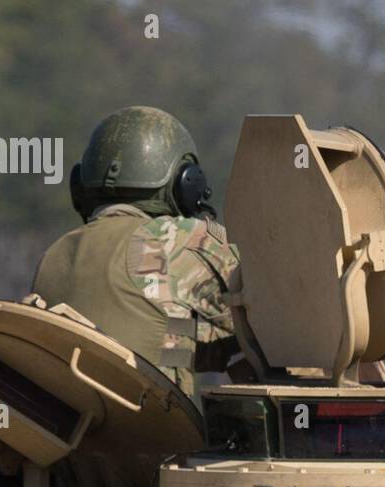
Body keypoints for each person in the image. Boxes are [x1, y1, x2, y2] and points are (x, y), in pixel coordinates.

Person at [31, 106, 240, 397]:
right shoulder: (182, 239)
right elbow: (270, 321)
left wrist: (199, 343)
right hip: (158, 430)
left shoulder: (54, 254)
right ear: (185, 183)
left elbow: (130, 334)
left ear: (80, 185)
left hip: (67, 431)